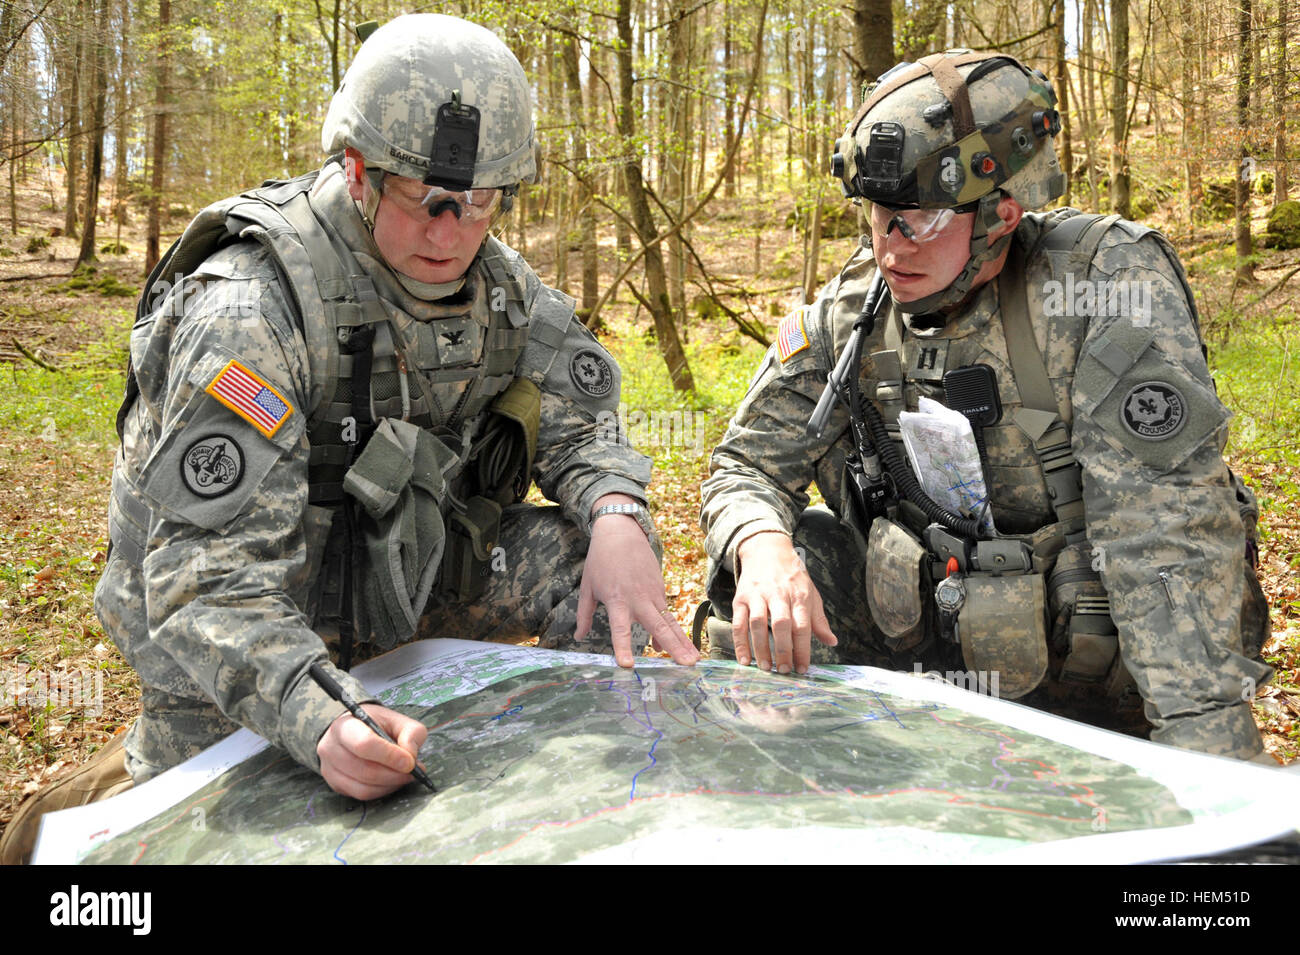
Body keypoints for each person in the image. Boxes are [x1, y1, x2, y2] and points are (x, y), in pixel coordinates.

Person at [1, 13, 697, 865]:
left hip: (398, 583)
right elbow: (203, 580)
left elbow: (585, 424)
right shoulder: (253, 307)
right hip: (243, 625)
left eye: (481, 203)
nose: (454, 232)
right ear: (358, 170)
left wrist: (620, 513)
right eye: (429, 201)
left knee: (589, 563)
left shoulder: (502, 291)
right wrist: (316, 711)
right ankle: (66, 818)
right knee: (197, 828)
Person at [698, 49, 1273, 761]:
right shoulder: (855, 311)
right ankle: (809, 777)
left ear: (1002, 213)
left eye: (919, 221)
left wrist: (1213, 779)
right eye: (876, 216)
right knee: (784, 562)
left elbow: (1168, 539)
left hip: (1092, 685)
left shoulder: (1101, 288)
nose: (888, 247)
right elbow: (742, 464)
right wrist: (761, 549)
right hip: (924, 659)